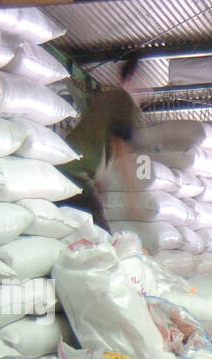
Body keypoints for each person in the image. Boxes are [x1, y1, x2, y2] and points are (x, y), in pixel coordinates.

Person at [60, 51, 144, 231]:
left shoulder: (105, 98)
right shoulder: (123, 101)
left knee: (73, 228)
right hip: (74, 175)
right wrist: (133, 196)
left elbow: (97, 143)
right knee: (100, 233)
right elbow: (120, 147)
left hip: (66, 169)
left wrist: (99, 187)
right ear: (136, 77)